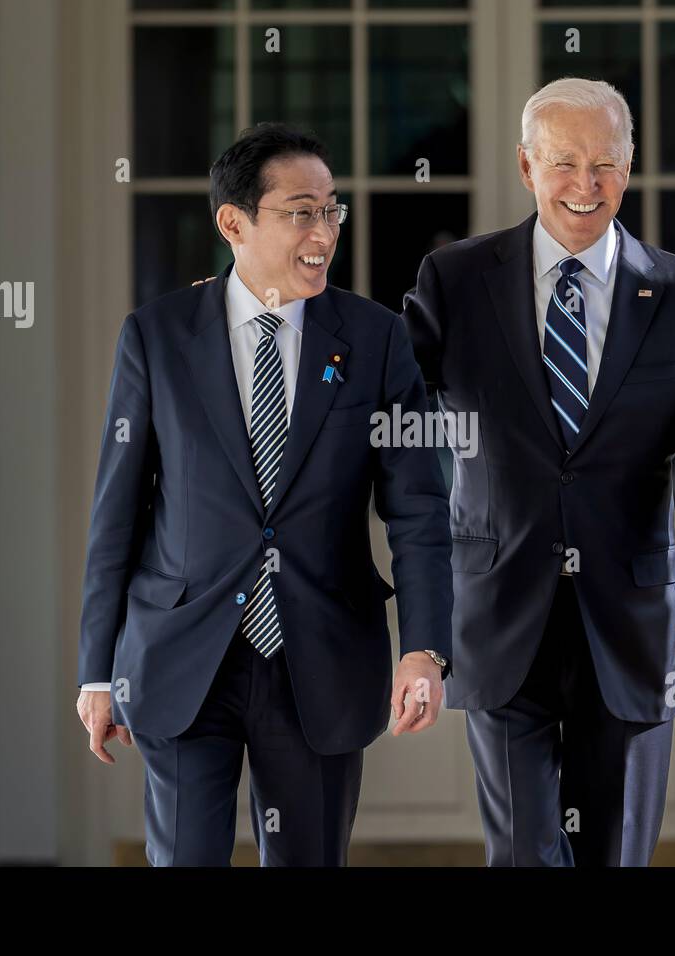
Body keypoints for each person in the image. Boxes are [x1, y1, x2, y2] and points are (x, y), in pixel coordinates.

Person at [401, 78, 675, 866]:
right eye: (564, 162)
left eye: (605, 163)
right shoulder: (456, 283)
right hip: (498, 616)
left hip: (631, 627)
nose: (585, 185)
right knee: (526, 853)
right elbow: (384, 411)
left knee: (614, 853)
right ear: (527, 169)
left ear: (629, 169)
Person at [77, 124, 452, 866]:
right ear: (234, 223)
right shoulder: (157, 337)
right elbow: (117, 511)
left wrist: (425, 649)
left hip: (320, 658)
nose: (324, 232)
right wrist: (96, 668)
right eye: (301, 211)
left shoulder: (376, 341)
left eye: (332, 210)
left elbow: (418, 509)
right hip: (182, 655)